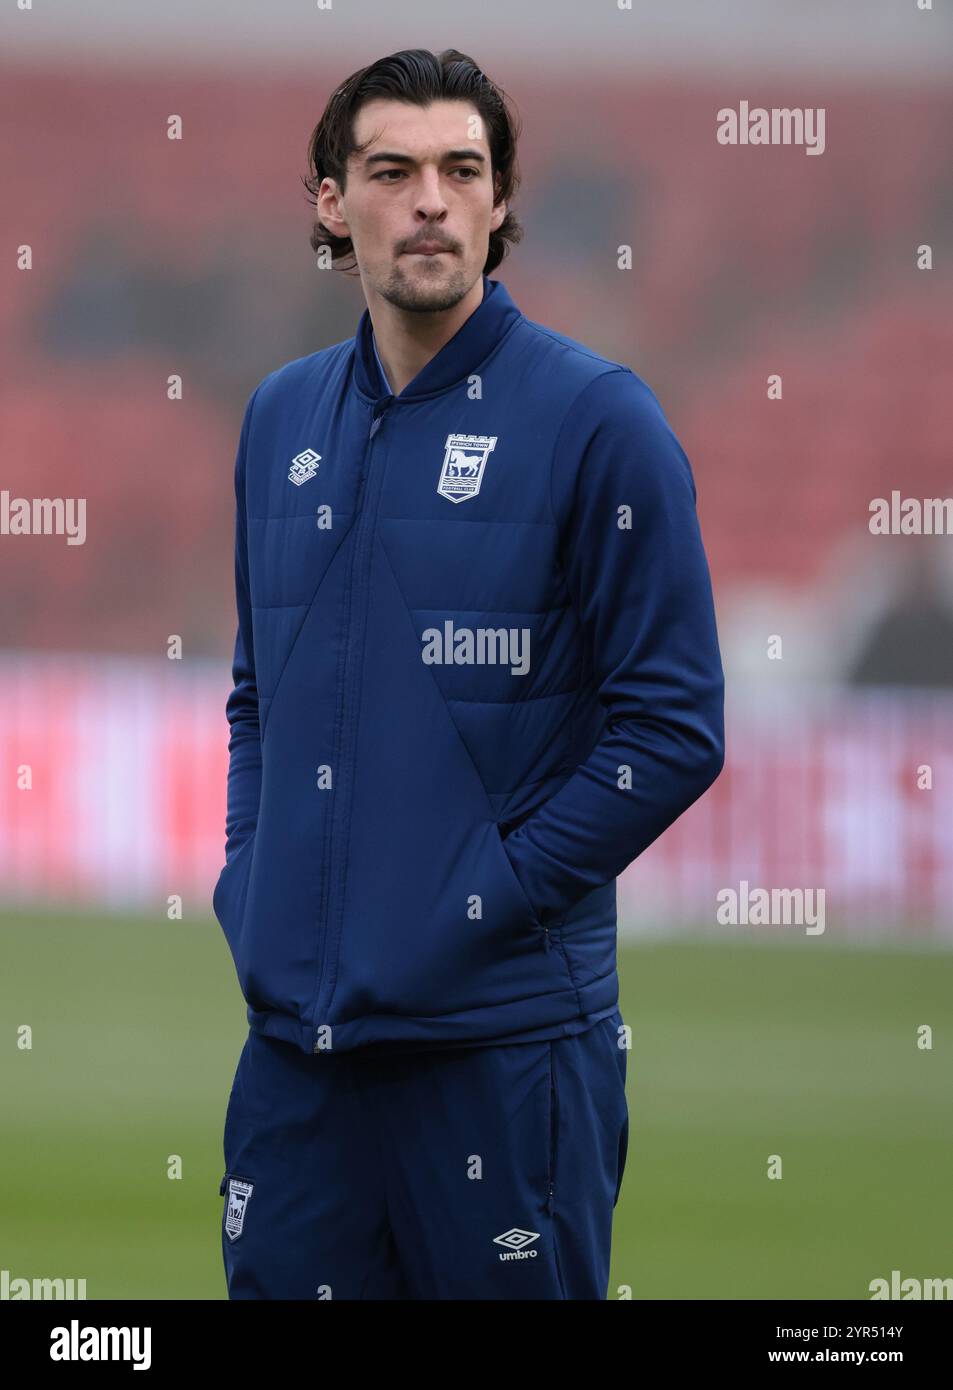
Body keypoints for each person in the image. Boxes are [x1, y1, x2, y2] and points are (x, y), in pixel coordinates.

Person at [213, 47, 725, 1300]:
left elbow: (671, 729)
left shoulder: (599, 420)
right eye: (391, 170)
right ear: (333, 202)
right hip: (298, 1062)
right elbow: (256, 699)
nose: (430, 199)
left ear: (500, 203)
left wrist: (482, 900)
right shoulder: (278, 417)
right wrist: (249, 886)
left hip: (502, 1055)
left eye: (462, 169)